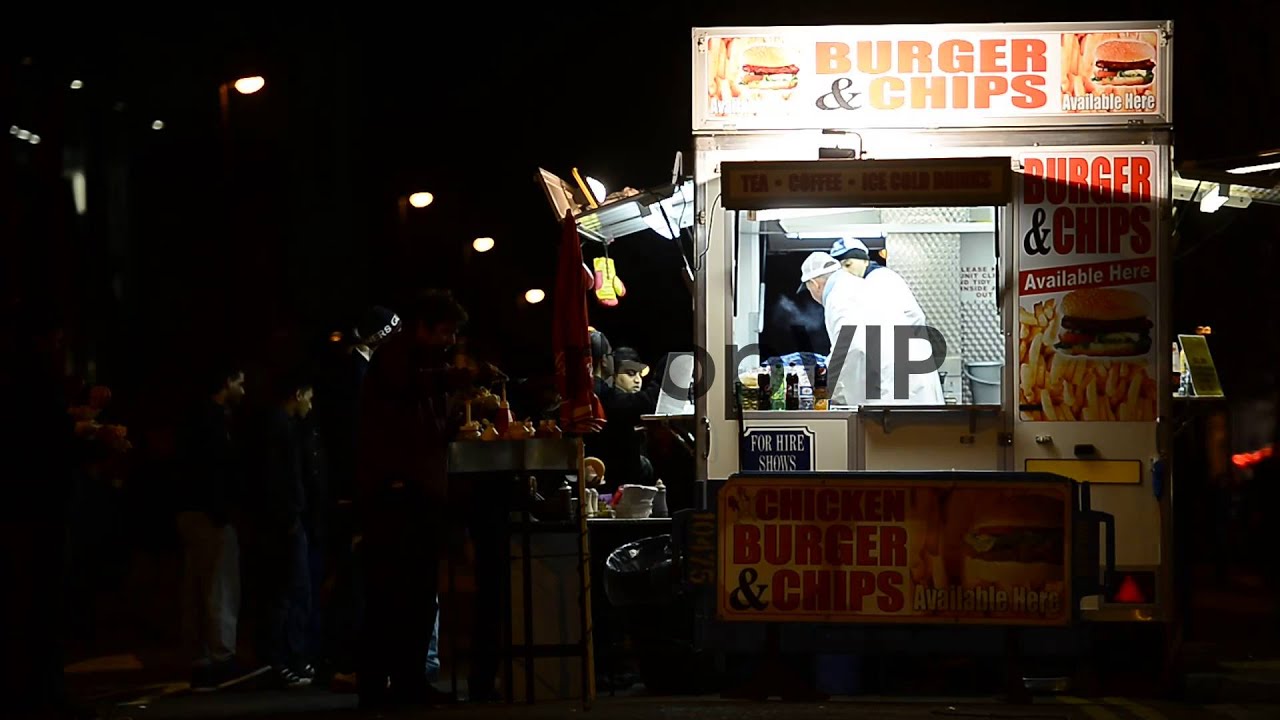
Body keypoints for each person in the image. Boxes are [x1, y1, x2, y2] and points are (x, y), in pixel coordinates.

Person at [355, 291, 469, 708]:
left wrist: (454, 417)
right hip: (395, 493)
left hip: (420, 492)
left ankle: (408, 681)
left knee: (419, 595)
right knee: (390, 594)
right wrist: (455, 379)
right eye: (444, 331)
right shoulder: (397, 357)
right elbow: (408, 390)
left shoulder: (423, 364)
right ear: (422, 326)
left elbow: (429, 423)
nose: (449, 340)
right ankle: (376, 687)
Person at [175, 360, 269, 692]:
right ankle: (221, 658)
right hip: (212, 513)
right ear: (226, 382)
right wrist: (225, 509)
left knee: (198, 587)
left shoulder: (193, 418)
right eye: (239, 383)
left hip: (191, 511)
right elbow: (216, 470)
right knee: (221, 587)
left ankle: (201, 659)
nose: (243, 390)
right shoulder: (214, 421)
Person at [255, 371, 321, 688]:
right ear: (297, 394)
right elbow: (281, 478)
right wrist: (290, 514)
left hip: (284, 520)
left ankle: (287, 659)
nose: (311, 403)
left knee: (290, 591)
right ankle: (283, 660)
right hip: (285, 522)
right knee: (290, 591)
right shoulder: (282, 429)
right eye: (308, 396)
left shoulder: (279, 427)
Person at [830, 238, 943, 404]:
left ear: (864, 260)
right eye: (840, 268)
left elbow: (912, 320)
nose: (845, 273)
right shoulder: (874, 280)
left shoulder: (879, 281)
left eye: (848, 265)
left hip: (905, 374)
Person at [588, 345, 660, 493]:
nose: (637, 380)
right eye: (630, 373)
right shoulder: (610, 400)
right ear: (613, 375)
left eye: (640, 375)